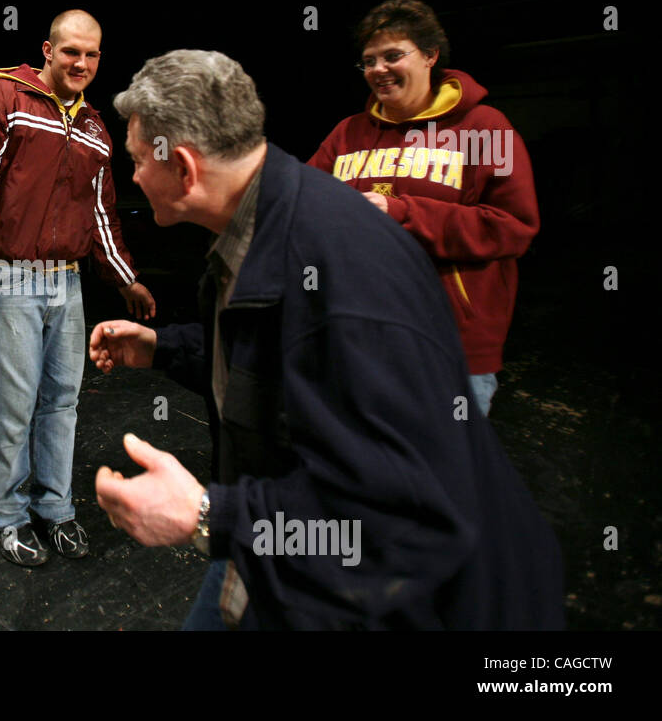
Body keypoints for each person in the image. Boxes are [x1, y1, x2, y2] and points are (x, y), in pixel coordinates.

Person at [90, 49, 563, 629]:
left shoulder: (341, 273)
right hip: (276, 539)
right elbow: (277, 352)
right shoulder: (262, 217)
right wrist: (168, 347)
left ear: (184, 169)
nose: (133, 176)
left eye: (138, 160)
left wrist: (208, 516)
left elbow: (404, 518)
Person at [0, 10, 156, 566]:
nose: (80, 62)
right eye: (70, 51)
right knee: (12, 407)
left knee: (62, 403)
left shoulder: (96, 128)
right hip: (3, 275)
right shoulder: (3, 100)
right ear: (47, 51)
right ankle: (2, 512)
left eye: (92, 54)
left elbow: (102, 214)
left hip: (65, 282)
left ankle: (55, 509)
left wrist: (127, 279)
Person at [308, 0, 539, 416]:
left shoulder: (484, 127)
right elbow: (305, 206)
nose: (378, 70)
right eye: (369, 61)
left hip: (450, 345)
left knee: (446, 475)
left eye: (392, 56)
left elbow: (513, 226)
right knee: (366, 472)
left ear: (431, 55)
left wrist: (401, 213)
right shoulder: (348, 133)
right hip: (359, 338)